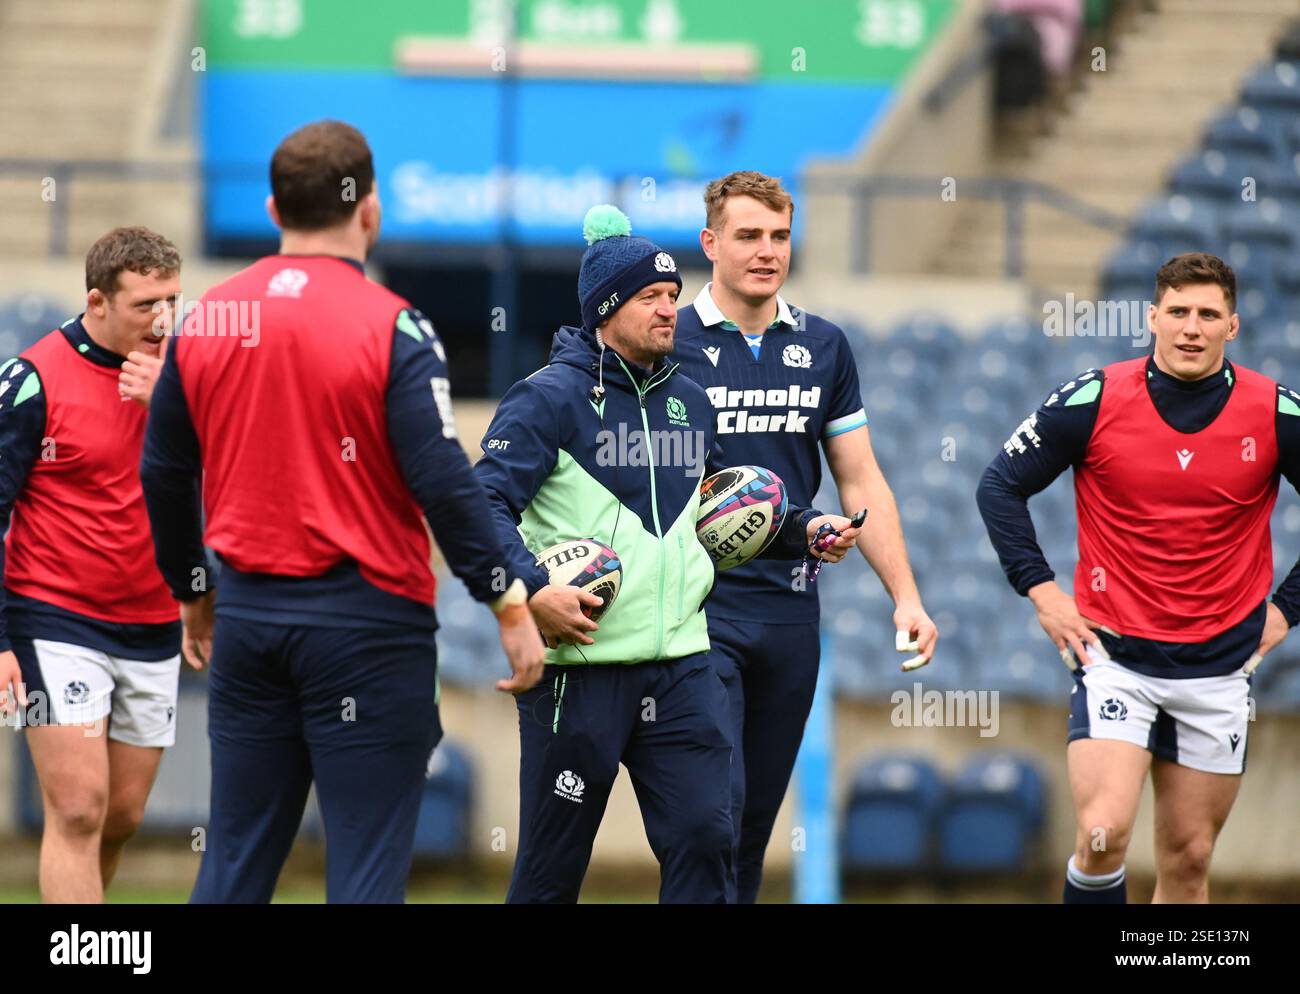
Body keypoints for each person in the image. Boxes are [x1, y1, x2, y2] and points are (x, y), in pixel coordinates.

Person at [139, 119, 544, 904]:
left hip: (251, 623)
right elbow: (440, 478)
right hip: (368, 631)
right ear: (370, 210)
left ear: (271, 207)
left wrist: (193, 588)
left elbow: (162, 470)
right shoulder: (391, 324)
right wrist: (506, 598)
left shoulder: (210, 318)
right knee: (363, 872)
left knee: (232, 863)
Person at [475, 204, 860, 903]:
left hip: (682, 668)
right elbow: (481, 508)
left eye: (674, 297)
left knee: (709, 839)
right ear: (606, 309)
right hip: (577, 675)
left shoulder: (689, 400)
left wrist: (803, 530)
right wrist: (531, 589)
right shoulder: (546, 401)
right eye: (650, 298)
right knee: (549, 871)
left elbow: (718, 512)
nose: (668, 310)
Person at [977, 252, 1299, 903]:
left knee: (1190, 858)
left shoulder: (1276, 412)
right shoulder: (1093, 398)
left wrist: (1287, 609)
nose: (1191, 327)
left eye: (1208, 314)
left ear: (1232, 326)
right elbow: (999, 486)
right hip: (1115, 656)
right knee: (1103, 834)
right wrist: (1043, 593)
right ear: (1152, 317)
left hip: (1219, 665)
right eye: (1177, 312)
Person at [670, 171, 938, 902]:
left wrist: (905, 597)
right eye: (749, 235)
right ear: (711, 242)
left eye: (780, 236)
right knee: (710, 816)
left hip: (791, 615)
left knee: (751, 827)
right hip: (698, 613)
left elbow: (861, 481)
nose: (767, 251)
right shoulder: (672, 341)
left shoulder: (824, 345)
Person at [0, 226, 181, 902]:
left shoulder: (186, 374)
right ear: (97, 301)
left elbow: (238, 477)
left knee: (121, 817)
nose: (162, 320)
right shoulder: (30, 380)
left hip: (155, 624)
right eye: (145, 306)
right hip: (53, 622)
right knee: (78, 807)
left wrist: (172, 407)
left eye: (172, 301)